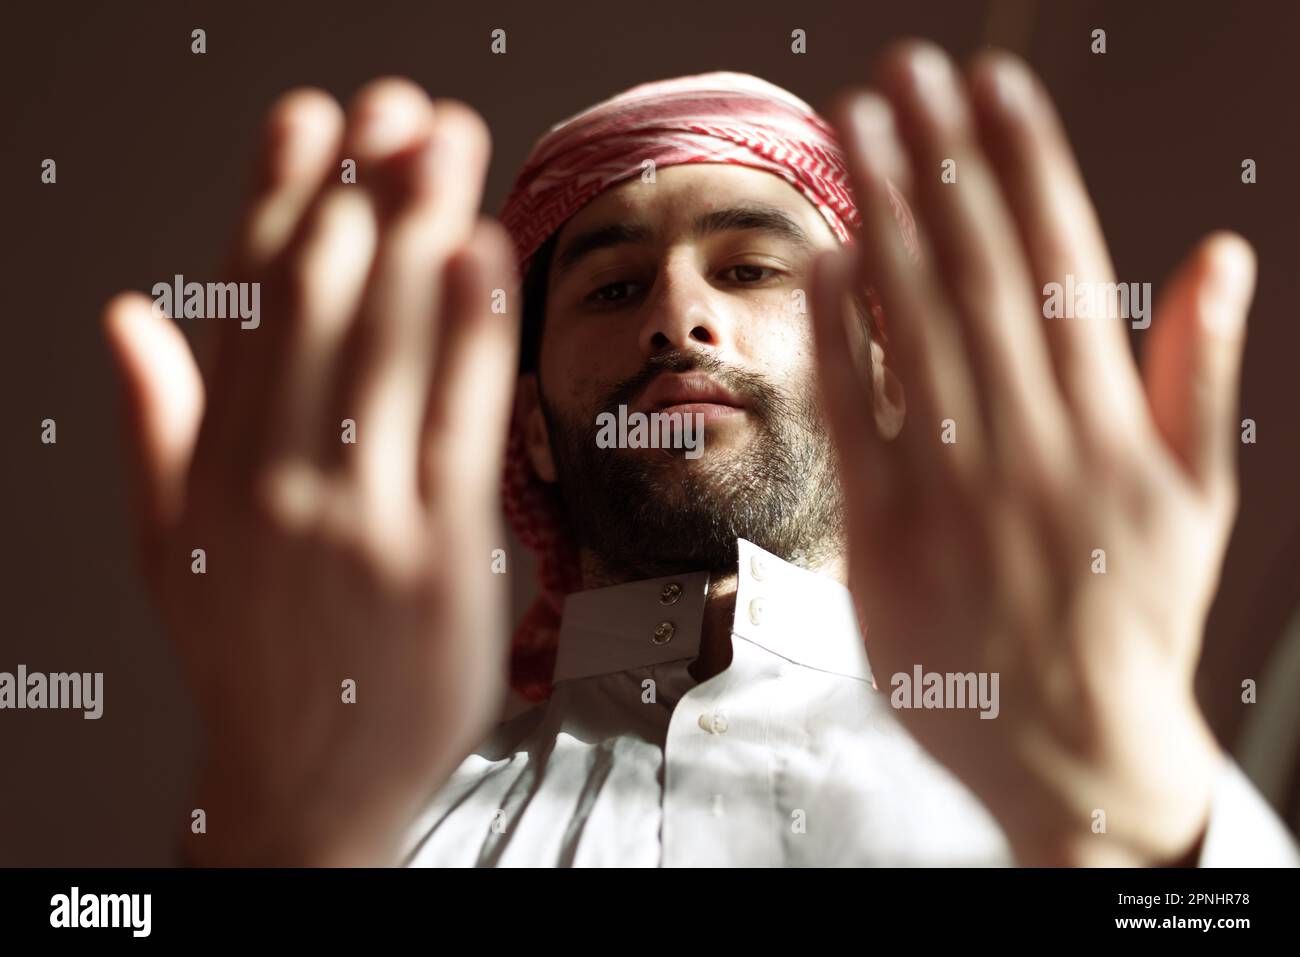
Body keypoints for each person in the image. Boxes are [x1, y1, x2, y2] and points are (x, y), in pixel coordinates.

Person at [103, 40, 1300, 866]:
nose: (678, 318)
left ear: (876, 367)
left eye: (749, 268)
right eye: (615, 284)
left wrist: (1133, 803)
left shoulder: (1067, 799)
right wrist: (269, 836)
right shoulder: (372, 826)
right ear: (530, 429)